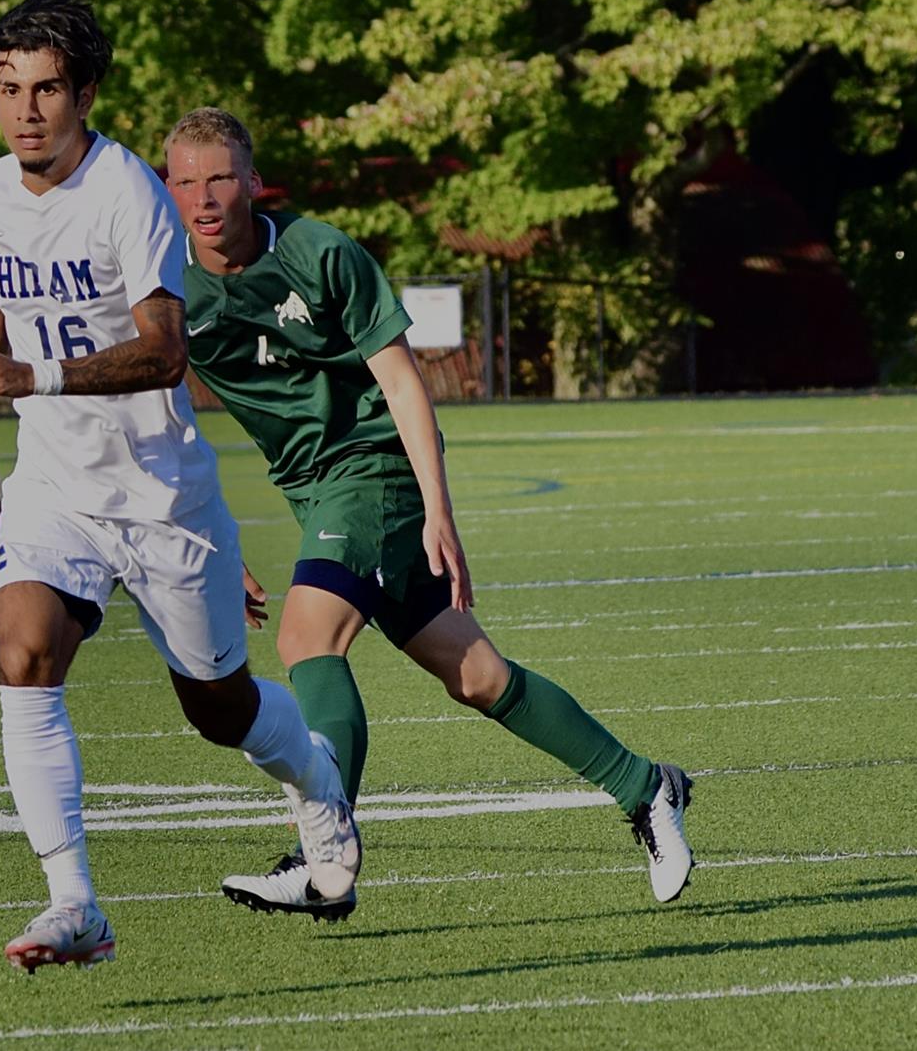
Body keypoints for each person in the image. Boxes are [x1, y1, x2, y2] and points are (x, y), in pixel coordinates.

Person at [162, 106, 692, 920]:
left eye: (221, 176)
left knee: (306, 634)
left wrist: (438, 510)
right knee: (477, 676)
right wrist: (210, 540)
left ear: (254, 183)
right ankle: (644, 784)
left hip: (375, 470)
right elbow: (162, 418)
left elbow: (405, 382)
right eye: (185, 180)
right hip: (314, 491)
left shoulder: (320, 252)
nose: (204, 196)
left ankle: (323, 857)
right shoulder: (169, 284)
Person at [0, 0, 359, 972]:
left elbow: (165, 351)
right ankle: (73, 898)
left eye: (45, 89)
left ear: (84, 92)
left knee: (218, 708)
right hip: (52, 490)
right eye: (7, 88)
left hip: (163, 500)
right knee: (23, 646)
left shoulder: (126, 192)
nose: (23, 110)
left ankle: (316, 778)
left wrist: (26, 377)